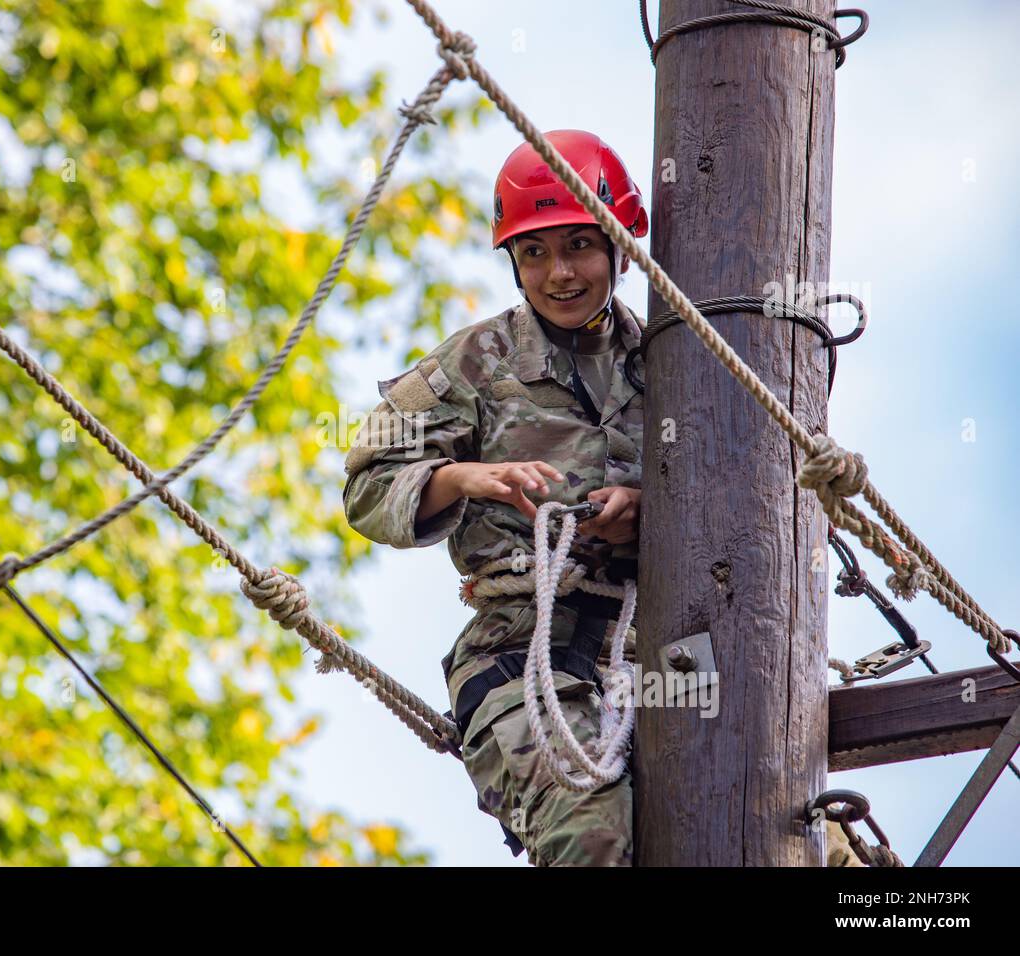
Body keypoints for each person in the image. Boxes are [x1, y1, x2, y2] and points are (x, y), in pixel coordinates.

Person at [342, 128, 859, 867]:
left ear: (620, 245)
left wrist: (652, 508)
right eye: (534, 253)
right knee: (594, 835)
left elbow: (745, 496)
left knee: (805, 843)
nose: (559, 273)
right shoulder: (476, 362)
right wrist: (463, 478)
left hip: (667, 653)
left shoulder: (674, 365)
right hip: (524, 654)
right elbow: (365, 484)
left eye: (580, 245)